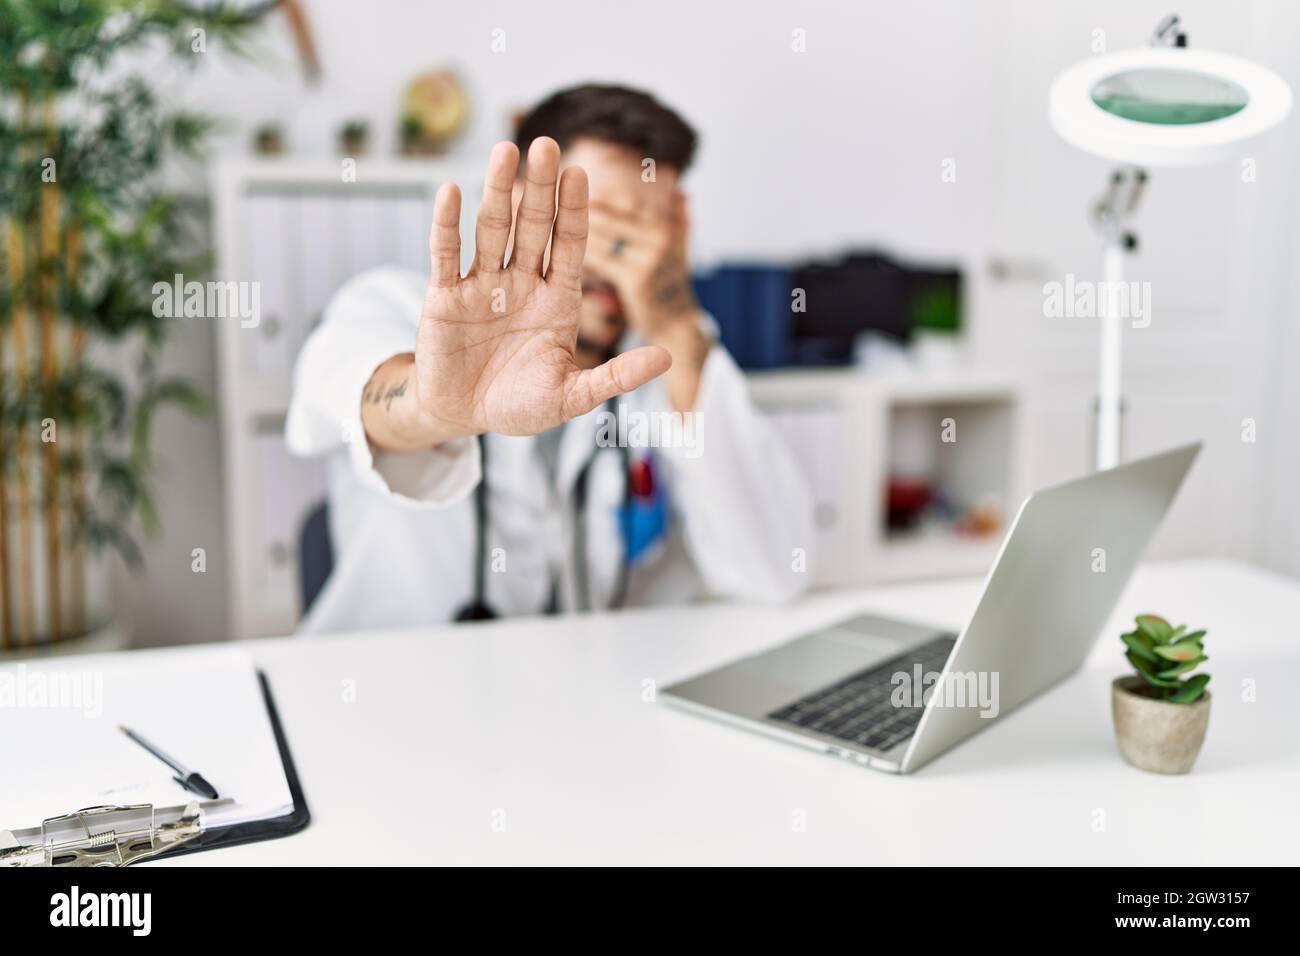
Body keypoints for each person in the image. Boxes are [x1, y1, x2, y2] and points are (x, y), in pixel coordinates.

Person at [286, 84, 813, 632]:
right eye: (604, 220)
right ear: (523, 204)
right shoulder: (391, 306)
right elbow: (348, 389)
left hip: (585, 696)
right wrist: (431, 404)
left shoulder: (661, 361)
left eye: (650, 232)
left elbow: (773, 575)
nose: (625, 260)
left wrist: (678, 325)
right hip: (393, 690)